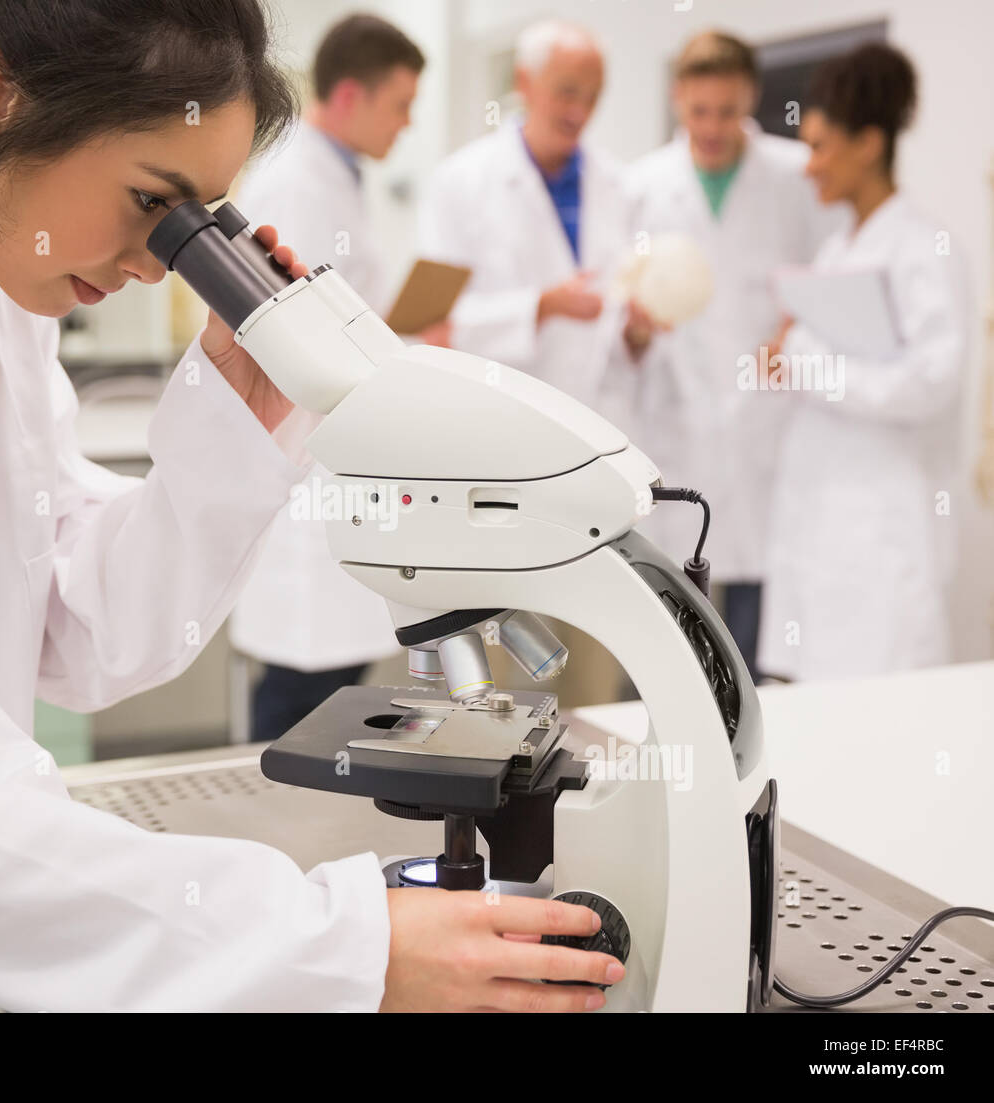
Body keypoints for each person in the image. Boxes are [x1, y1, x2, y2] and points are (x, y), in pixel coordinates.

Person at [0, 0, 623, 1012]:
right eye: (150, 198)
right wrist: (340, 950)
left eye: (190, 224)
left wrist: (232, 426)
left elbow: (77, 630)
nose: (153, 259)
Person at [227, 14, 424, 743]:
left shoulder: (337, 177)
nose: (407, 123)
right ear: (350, 95)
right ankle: (265, 822)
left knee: (328, 681)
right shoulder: (298, 181)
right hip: (313, 457)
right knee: (298, 692)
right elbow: (305, 336)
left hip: (341, 461)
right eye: (400, 104)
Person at [624, 31, 840, 678]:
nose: (712, 128)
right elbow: (621, 312)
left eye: (727, 111)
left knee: (756, 629)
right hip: (675, 417)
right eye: (698, 112)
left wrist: (795, 330)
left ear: (751, 98)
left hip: (767, 422)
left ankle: (751, 751)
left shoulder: (795, 175)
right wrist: (633, 327)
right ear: (677, 100)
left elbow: (827, 278)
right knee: (673, 624)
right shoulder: (641, 185)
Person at [758, 43, 967, 681]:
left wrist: (800, 358)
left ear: (869, 143)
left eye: (821, 147)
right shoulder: (837, 251)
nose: (809, 165)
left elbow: (931, 381)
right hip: (822, 528)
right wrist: (790, 359)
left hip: (881, 534)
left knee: (880, 719)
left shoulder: (921, 248)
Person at [418, 20, 640, 431]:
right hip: (501, 422)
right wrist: (540, 307)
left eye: (593, 97)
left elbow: (617, 332)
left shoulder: (617, 185)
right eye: (568, 91)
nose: (580, 112)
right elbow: (434, 323)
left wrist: (639, 329)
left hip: (601, 423)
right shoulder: (459, 181)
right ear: (525, 81)